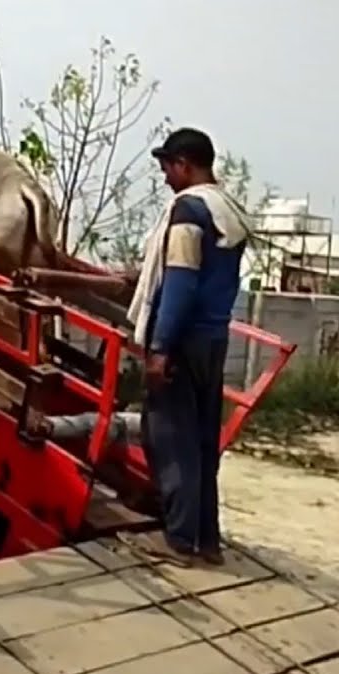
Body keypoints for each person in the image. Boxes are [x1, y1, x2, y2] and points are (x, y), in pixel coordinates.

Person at [125, 127, 252, 567]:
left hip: (181, 341)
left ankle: (179, 540)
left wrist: (160, 348)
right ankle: (207, 540)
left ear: (184, 165)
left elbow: (179, 280)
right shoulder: (228, 210)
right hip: (214, 340)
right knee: (201, 442)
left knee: (170, 438)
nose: (165, 179)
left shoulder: (189, 212)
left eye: (166, 168)